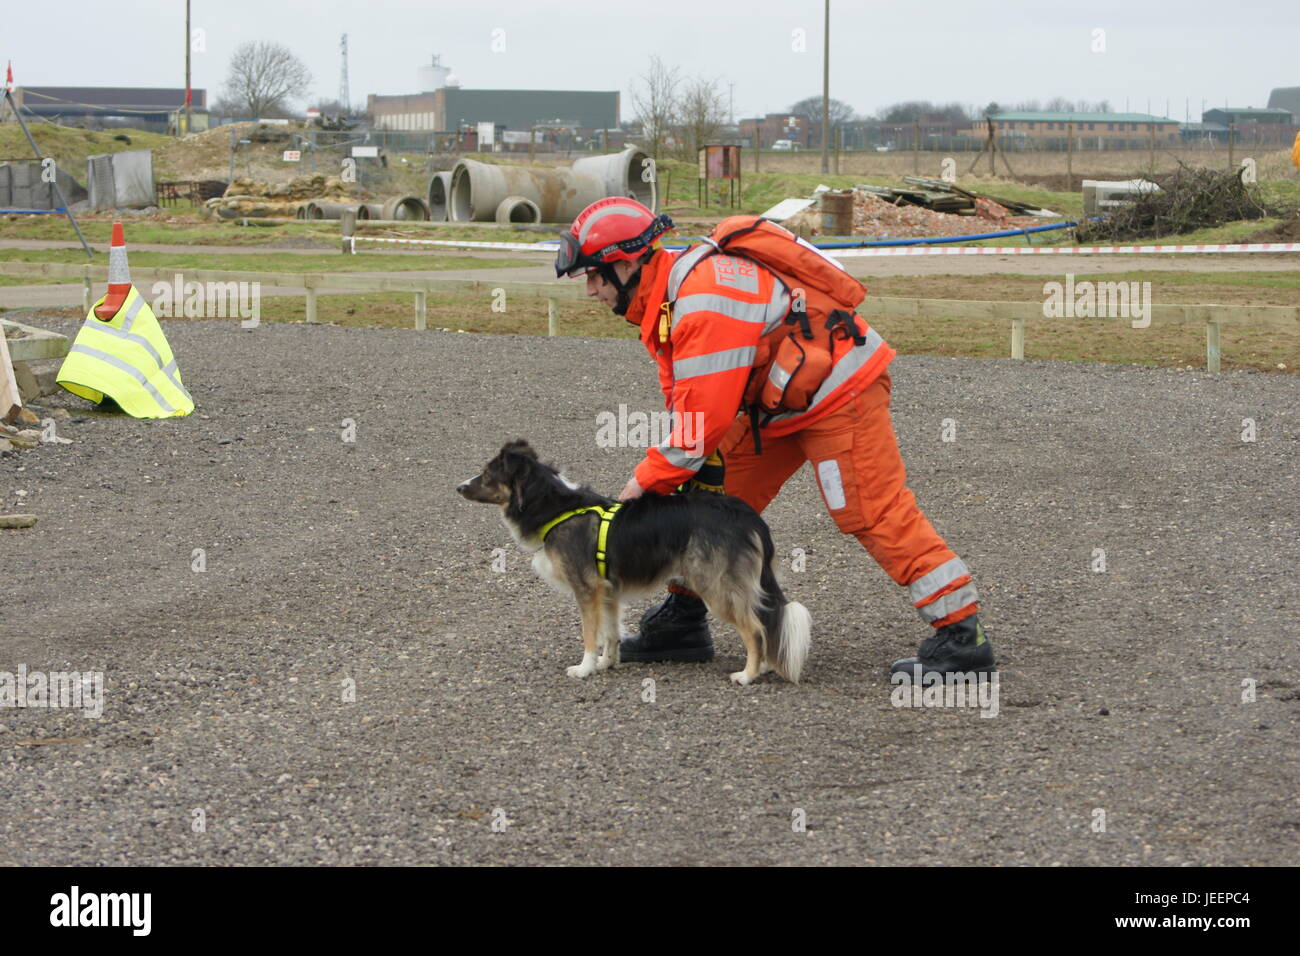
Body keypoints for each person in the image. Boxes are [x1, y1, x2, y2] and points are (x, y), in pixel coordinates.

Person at [554, 197, 995, 678]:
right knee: (706, 500)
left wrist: (640, 486)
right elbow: (686, 404)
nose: (591, 290)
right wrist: (671, 476)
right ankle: (684, 621)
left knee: (869, 509)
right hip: (778, 401)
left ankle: (961, 634)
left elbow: (698, 428)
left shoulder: (699, 302)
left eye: (594, 276)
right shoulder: (666, 300)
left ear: (627, 262)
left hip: (838, 392)